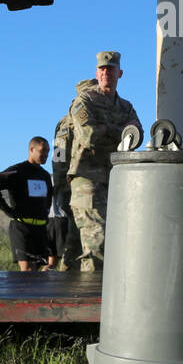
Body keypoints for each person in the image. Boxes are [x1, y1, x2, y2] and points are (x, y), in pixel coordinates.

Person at [67, 51, 142, 271]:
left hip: (115, 179)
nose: (106, 73)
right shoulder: (85, 100)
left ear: (120, 73)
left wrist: (109, 131)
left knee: (117, 239)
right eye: (102, 69)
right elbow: (89, 135)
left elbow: (137, 135)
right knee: (96, 242)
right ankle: (94, 297)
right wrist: (120, 133)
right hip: (88, 180)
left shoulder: (125, 106)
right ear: (96, 73)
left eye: (110, 69)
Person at [0, 137, 55, 271]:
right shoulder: (17, 171)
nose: (46, 155)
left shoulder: (45, 175)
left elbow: (48, 197)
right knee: (27, 271)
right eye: (42, 151)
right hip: (22, 228)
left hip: (41, 229)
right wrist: (8, 210)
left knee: (37, 273)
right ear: (31, 149)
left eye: (48, 151)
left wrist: (46, 212)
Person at [48, 111, 83, 270]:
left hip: (101, 187)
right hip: (75, 189)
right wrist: (62, 188)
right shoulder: (67, 124)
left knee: (77, 241)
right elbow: (58, 157)